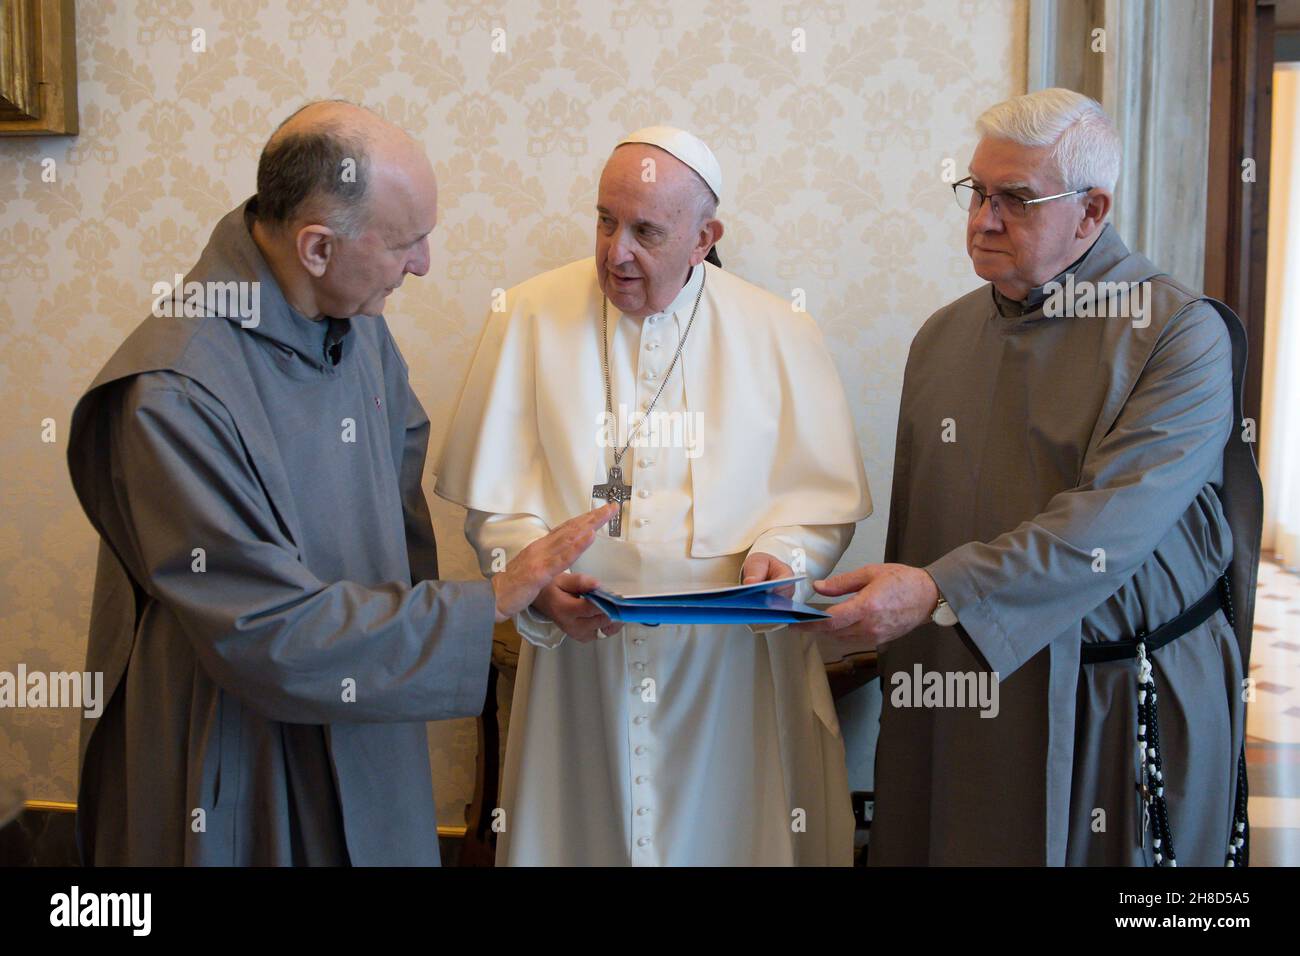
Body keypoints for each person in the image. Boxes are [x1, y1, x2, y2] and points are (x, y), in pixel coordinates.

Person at [66, 100, 613, 866]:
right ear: (316, 246)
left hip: (366, 712)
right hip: (241, 745)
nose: (423, 265)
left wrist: (510, 598)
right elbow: (261, 632)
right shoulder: (171, 393)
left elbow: (400, 509)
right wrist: (481, 606)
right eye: (407, 243)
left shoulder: (351, 312)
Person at [804, 88, 1262, 866]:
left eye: (1013, 199)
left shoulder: (1181, 337)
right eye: (976, 192)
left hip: (1114, 701)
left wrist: (934, 592)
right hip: (967, 694)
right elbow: (921, 528)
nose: (981, 219)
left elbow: (1105, 528)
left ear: (1091, 212)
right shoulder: (943, 338)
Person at [436, 126, 872, 865]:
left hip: (728, 662)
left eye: (645, 231)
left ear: (706, 237)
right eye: (605, 221)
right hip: (582, 656)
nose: (615, 252)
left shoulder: (778, 330)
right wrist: (535, 581)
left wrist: (781, 554)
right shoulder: (529, 316)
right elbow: (495, 506)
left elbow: (820, 504)